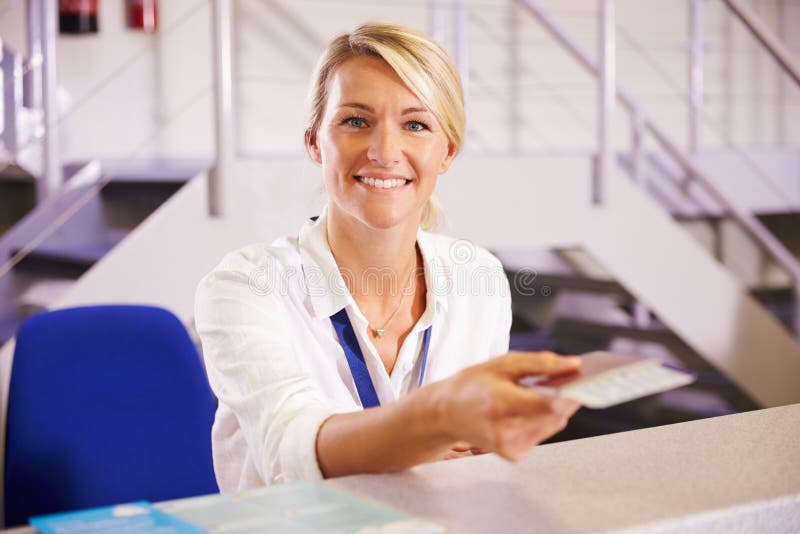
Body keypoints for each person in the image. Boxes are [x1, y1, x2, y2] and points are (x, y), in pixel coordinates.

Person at [194, 21, 581, 493]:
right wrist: (433, 426)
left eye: (415, 125)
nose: (384, 151)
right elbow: (292, 452)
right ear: (315, 141)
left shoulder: (477, 278)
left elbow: (475, 464)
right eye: (356, 121)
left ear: (447, 152)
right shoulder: (244, 286)